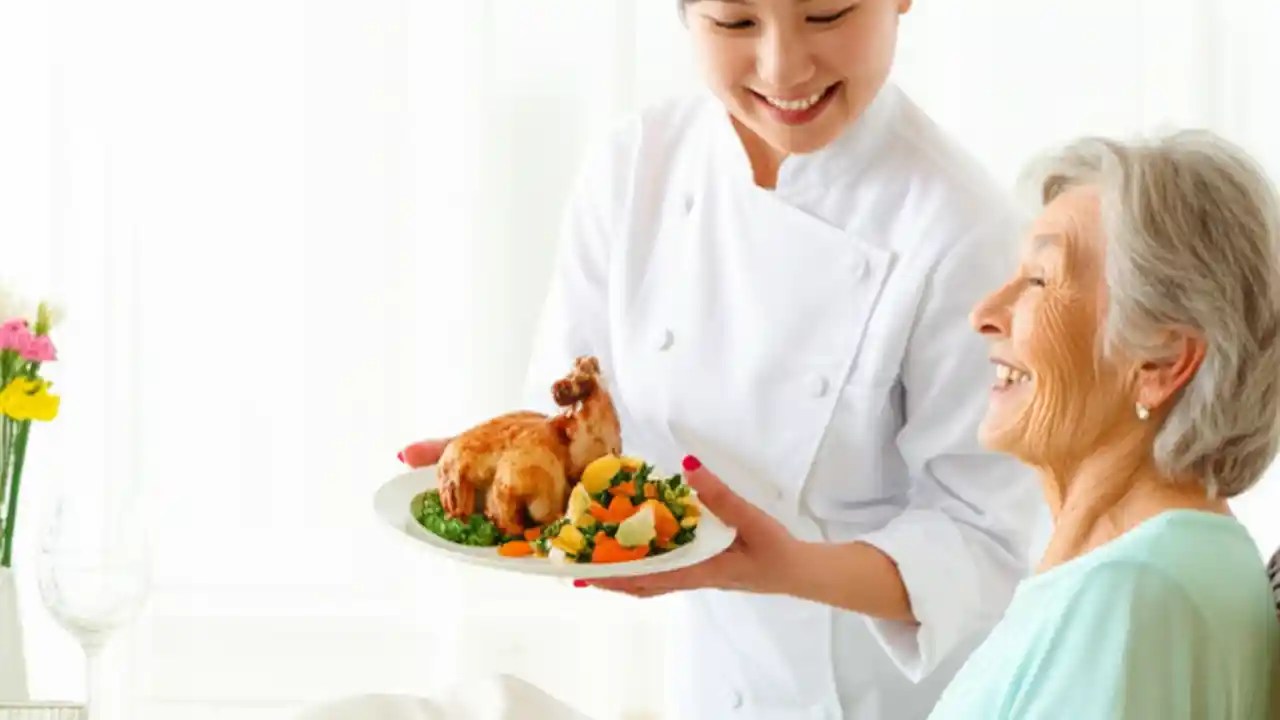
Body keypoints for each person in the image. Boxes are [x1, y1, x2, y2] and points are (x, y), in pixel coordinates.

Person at [400, 0, 1045, 717]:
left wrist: (788, 570)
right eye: (735, 24)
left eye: (827, 15)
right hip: (705, 682)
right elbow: (577, 427)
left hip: (880, 698)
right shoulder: (635, 169)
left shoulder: (964, 229)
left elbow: (982, 541)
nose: (783, 67)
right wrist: (502, 461)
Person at [923, 131, 1280, 719]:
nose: (985, 314)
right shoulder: (1151, 566)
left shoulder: (1128, 594)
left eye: (1039, 280)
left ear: (1161, 364)